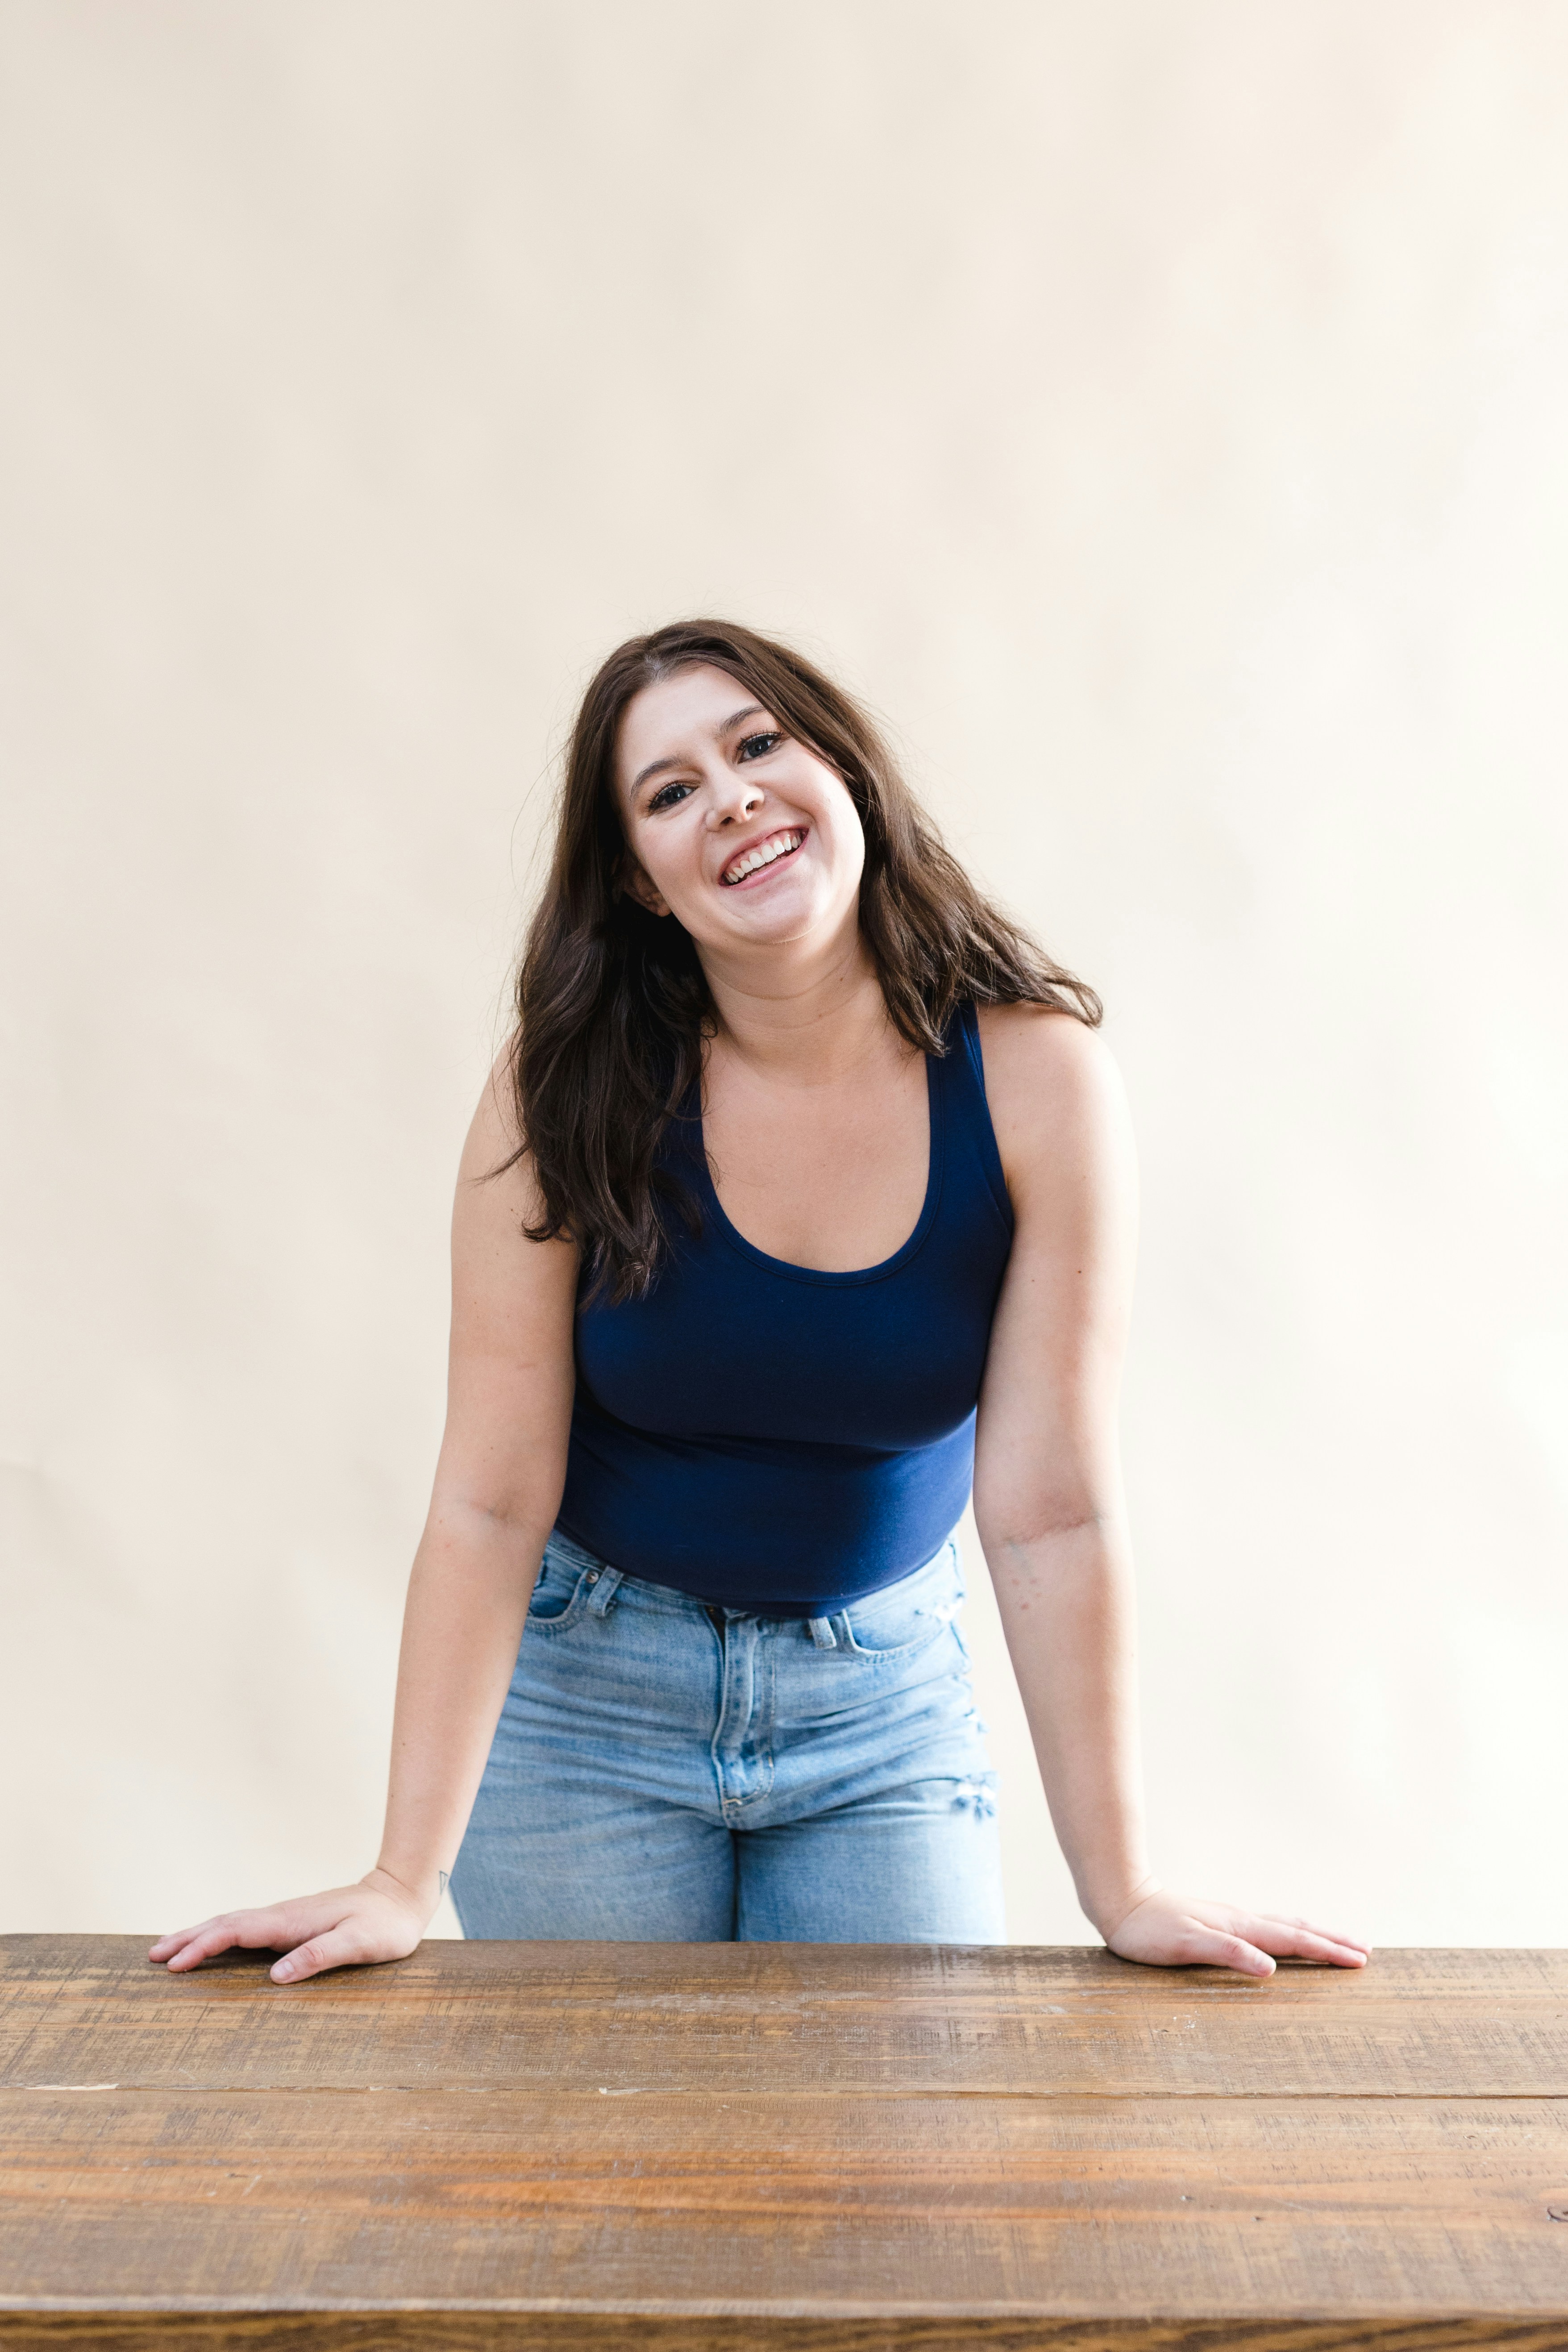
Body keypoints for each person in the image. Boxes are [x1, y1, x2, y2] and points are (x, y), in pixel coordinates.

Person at [151, 620, 1368, 1983]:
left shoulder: (1037, 1080)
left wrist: (1124, 1888)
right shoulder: (563, 1088)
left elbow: (1049, 1512)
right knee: (590, 2182)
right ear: (644, 884)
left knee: (897, 2184)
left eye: (756, 746)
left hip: (882, 1710)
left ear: (843, 774)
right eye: (668, 792)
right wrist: (396, 1880)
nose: (728, 796)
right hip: (584, 1713)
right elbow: (491, 1497)